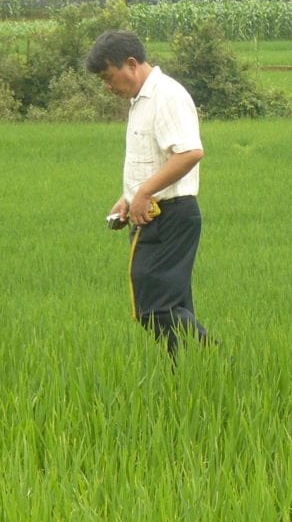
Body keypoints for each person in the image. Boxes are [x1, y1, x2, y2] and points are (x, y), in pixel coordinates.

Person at [88, 30, 209, 353]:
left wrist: (143, 193)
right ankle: (190, 370)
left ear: (131, 64)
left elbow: (189, 152)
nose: (107, 87)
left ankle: (218, 362)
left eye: (108, 77)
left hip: (170, 217)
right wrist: (129, 198)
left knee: (154, 308)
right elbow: (154, 159)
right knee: (169, 306)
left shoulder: (166, 96)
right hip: (153, 217)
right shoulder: (140, 101)